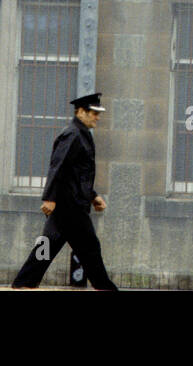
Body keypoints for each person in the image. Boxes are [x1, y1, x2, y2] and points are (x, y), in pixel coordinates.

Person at [11, 91, 118, 290]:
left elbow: (77, 174)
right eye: (93, 112)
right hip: (70, 207)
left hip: (69, 205)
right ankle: (104, 287)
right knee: (90, 248)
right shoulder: (72, 135)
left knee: (48, 246)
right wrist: (49, 198)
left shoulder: (82, 134)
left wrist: (93, 196)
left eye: (97, 113)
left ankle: (23, 283)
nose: (97, 116)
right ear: (80, 112)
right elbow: (57, 167)